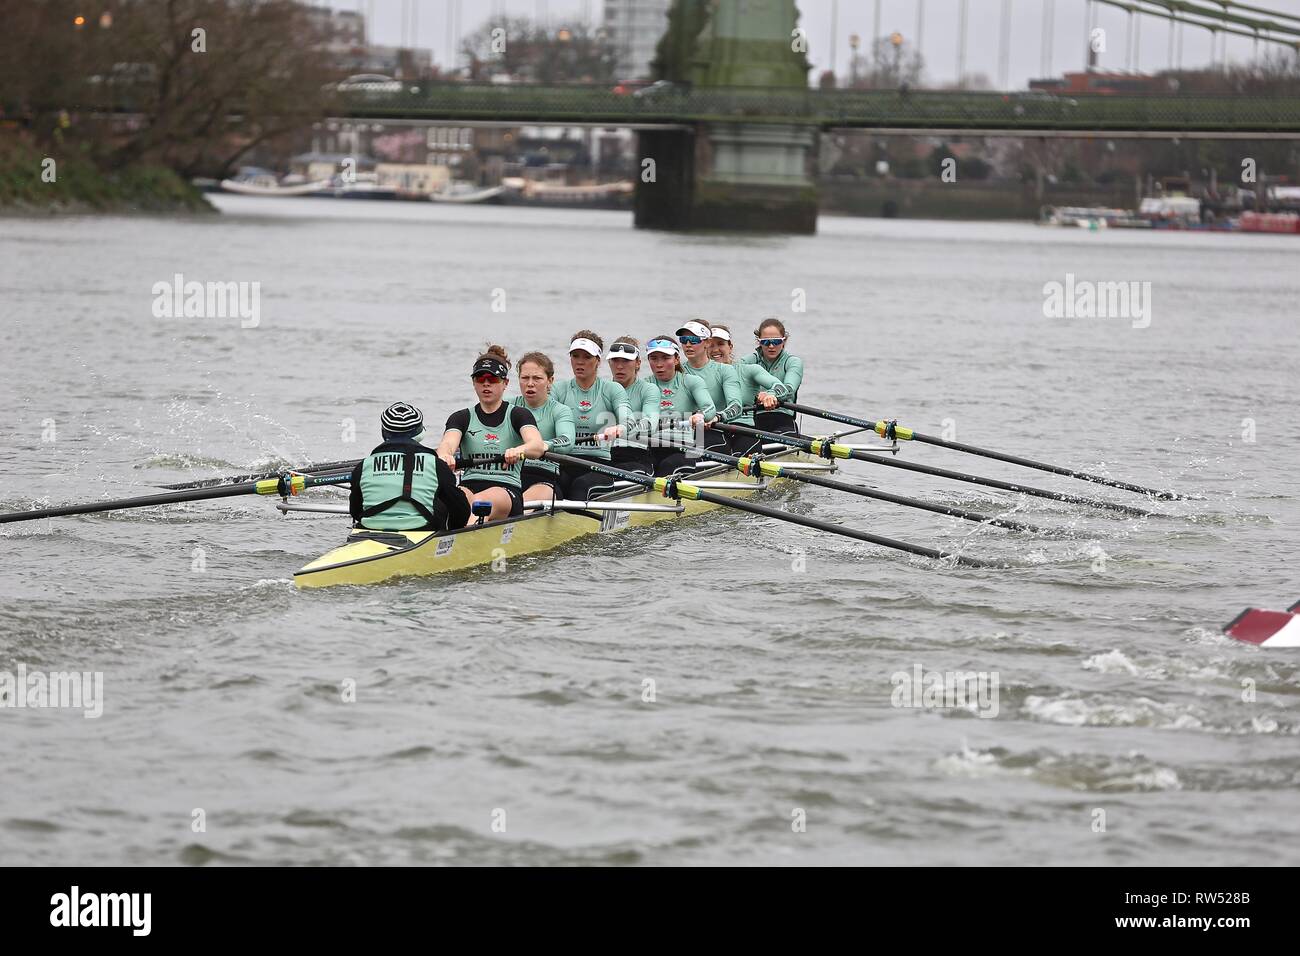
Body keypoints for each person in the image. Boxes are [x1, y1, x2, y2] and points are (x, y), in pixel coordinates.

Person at [436, 346, 546, 522]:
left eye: (492, 379)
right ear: (474, 383)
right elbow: (447, 444)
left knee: (481, 502)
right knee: (445, 500)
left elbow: (536, 445)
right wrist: (444, 455)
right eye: (480, 378)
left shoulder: (518, 415)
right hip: (469, 486)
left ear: (505, 383)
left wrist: (519, 450)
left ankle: (462, 543)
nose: (486, 384)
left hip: (506, 489)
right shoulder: (461, 418)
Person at [349, 402, 469, 531]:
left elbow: (355, 511)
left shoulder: (363, 466)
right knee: (443, 501)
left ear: (384, 432)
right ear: (419, 432)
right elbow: (461, 512)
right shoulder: (436, 465)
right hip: (420, 529)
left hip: (370, 528)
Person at [550, 330, 633, 500]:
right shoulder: (558, 389)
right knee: (551, 488)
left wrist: (620, 426)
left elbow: (628, 418)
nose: (580, 362)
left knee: (581, 487)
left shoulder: (612, 389)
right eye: (575, 356)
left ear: (598, 361)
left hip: (599, 465)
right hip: (564, 462)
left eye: (587, 357)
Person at [708, 323, 790, 456]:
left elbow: (781, 387)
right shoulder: (696, 376)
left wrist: (771, 394)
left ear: (730, 347)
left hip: (743, 428)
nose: (715, 349)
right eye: (711, 345)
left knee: (747, 450)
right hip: (710, 429)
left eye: (720, 344)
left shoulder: (749, 370)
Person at [642, 335, 717, 476]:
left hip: (684, 450)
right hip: (652, 447)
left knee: (668, 466)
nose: (659, 364)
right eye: (654, 358)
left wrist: (700, 416)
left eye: (665, 358)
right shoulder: (643, 385)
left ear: (676, 359)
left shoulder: (691, 382)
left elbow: (710, 408)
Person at [511, 351, 575, 504]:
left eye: (537, 378)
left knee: (518, 504)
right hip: (510, 476)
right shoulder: (508, 406)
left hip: (545, 478)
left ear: (550, 381)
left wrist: (542, 446)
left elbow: (567, 441)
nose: (530, 383)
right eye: (525, 378)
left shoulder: (559, 411)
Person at [677, 319, 742, 453]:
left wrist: (716, 417)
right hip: (684, 430)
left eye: (694, 340)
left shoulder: (725, 370)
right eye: (684, 340)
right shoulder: (676, 372)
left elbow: (736, 406)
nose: (688, 345)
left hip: (715, 429)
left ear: (707, 342)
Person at [740, 318, 804, 436]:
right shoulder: (747, 361)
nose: (771, 346)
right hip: (753, 418)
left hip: (783, 418)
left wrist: (771, 394)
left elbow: (789, 389)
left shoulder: (793, 362)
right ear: (759, 342)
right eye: (765, 342)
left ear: (784, 341)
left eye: (776, 341)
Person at [606, 335, 658, 475]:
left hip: (636, 455)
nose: (620, 366)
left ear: (638, 363)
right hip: (604, 455)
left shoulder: (648, 389)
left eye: (626, 361)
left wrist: (622, 428)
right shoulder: (601, 389)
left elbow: (650, 424)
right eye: (615, 360)